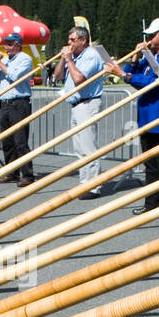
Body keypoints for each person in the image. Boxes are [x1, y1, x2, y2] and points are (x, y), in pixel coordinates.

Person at [105, 18, 159, 223]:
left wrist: (124, 74)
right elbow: (133, 75)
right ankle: (152, 203)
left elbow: (156, 82)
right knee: (150, 164)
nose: (147, 39)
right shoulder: (150, 58)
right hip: (147, 116)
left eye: (151, 35)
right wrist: (133, 60)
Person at [54, 26, 105, 197]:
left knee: (88, 147)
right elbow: (58, 76)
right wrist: (63, 59)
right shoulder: (74, 57)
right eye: (69, 40)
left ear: (83, 40)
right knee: (79, 148)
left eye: (73, 40)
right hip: (76, 105)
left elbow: (79, 79)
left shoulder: (91, 55)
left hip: (88, 103)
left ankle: (93, 186)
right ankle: (84, 183)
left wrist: (69, 60)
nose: (69, 43)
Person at [0, 32, 35, 185]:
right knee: (7, 141)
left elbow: (14, 76)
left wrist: (0, 63)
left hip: (19, 102)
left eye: (9, 44)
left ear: (17, 45)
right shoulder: (5, 59)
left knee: (20, 140)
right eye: (5, 44)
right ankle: (11, 172)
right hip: (5, 103)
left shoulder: (25, 59)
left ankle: (27, 174)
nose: (6, 47)